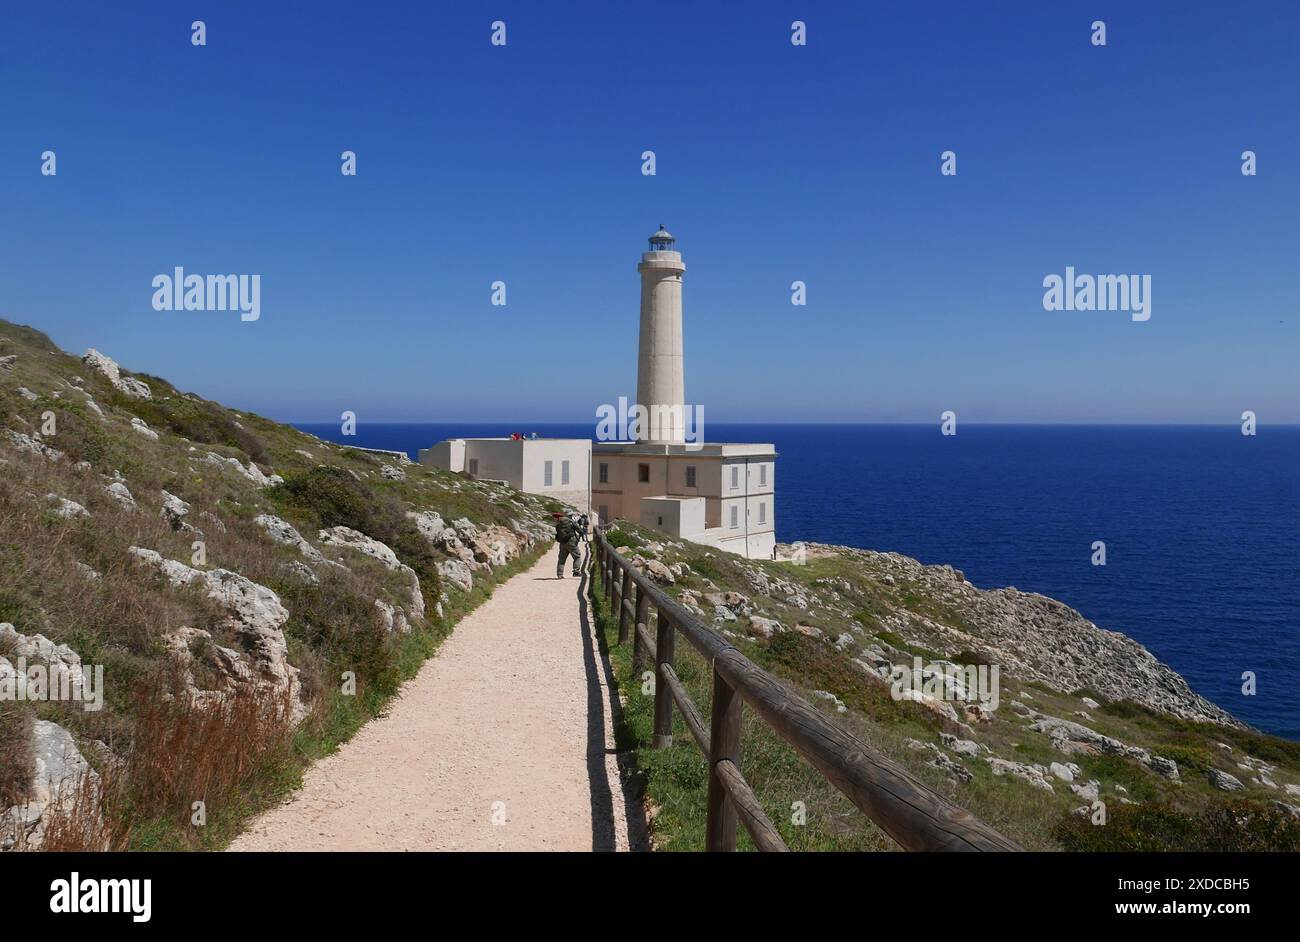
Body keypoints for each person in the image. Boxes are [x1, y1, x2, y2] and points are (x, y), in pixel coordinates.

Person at [553, 511, 583, 578]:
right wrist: (579, 537)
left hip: (562, 543)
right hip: (572, 542)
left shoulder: (558, 524)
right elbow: (580, 530)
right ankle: (576, 571)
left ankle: (559, 574)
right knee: (577, 557)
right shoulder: (571, 522)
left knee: (561, 559)